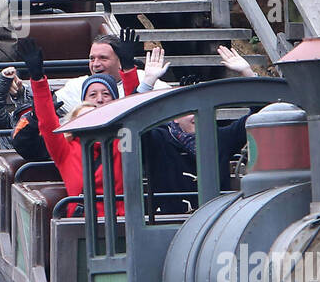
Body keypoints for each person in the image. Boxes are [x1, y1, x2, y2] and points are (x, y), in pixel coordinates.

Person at [20, 37, 151, 216]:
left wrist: (128, 69)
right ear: (81, 107)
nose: (99, 99)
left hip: (121, 223)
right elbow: (47, 121)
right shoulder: (65, 149)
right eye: (92, 95)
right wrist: (37, 78)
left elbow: (135, 114)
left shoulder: (122, 144)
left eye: (106, 94)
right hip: (80, 225)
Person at [147, 45, 257, 211]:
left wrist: (248, 74)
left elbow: (259, 116)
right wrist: (148, 81)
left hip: (215, 222)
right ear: (174, 118)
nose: (196, 116)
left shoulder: (220, 137)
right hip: (171, 223)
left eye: (200, 110)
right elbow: (133, 128)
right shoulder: (158, 139)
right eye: (189, 111)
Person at [56, 30, 172, 114]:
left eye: (103, 58)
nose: (95, 64)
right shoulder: (76, 85)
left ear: (120, 61)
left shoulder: (144, 78)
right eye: (92, 58)